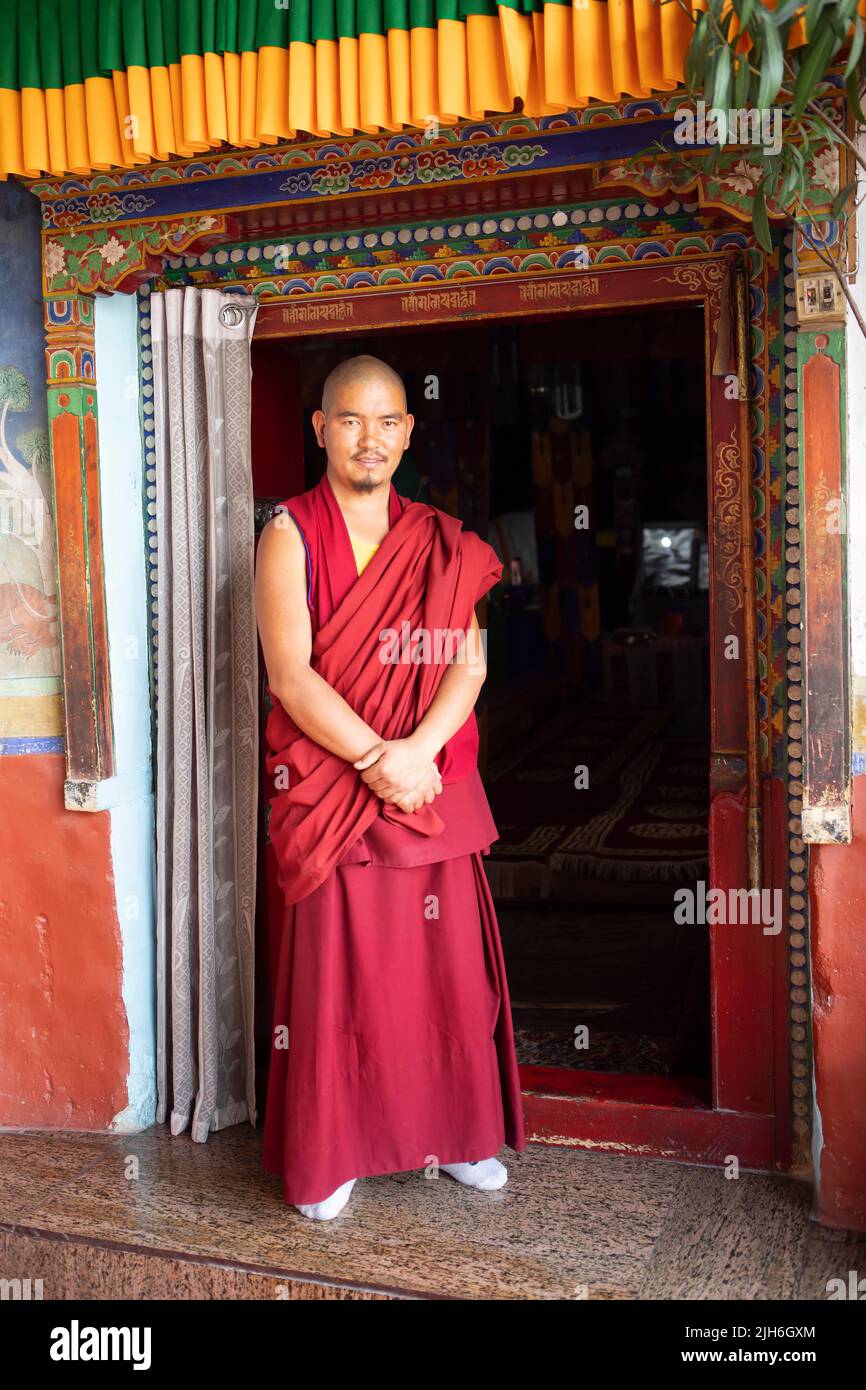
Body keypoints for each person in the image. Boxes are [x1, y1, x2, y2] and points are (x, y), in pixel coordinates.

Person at [254, 354, 526, 1220]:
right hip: (338, 795)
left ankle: (457, 1133)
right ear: (321, 429)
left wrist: (422, 753)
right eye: (349, 420)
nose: (368, 438)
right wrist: (382, 759)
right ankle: (333, 1152)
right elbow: (292, 676)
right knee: (340, 983)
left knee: (443, 977)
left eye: (386, 422)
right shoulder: (289, 533)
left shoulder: (441, 542)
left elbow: (468, 661)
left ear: (408, 432)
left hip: (426, 788)